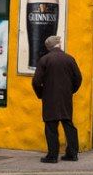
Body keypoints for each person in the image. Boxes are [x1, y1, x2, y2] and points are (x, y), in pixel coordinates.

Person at [31, 34, 83, 163]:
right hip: (66, 97)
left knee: (51, 126)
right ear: (58, 45)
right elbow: (78, 78)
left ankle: (52, 155)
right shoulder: (70, 59)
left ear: (48, 47)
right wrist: (71, 90)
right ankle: (72, 153)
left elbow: (36, 82)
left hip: (49, 97)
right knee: (68, 124)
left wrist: (41, 94)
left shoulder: (44, 60)